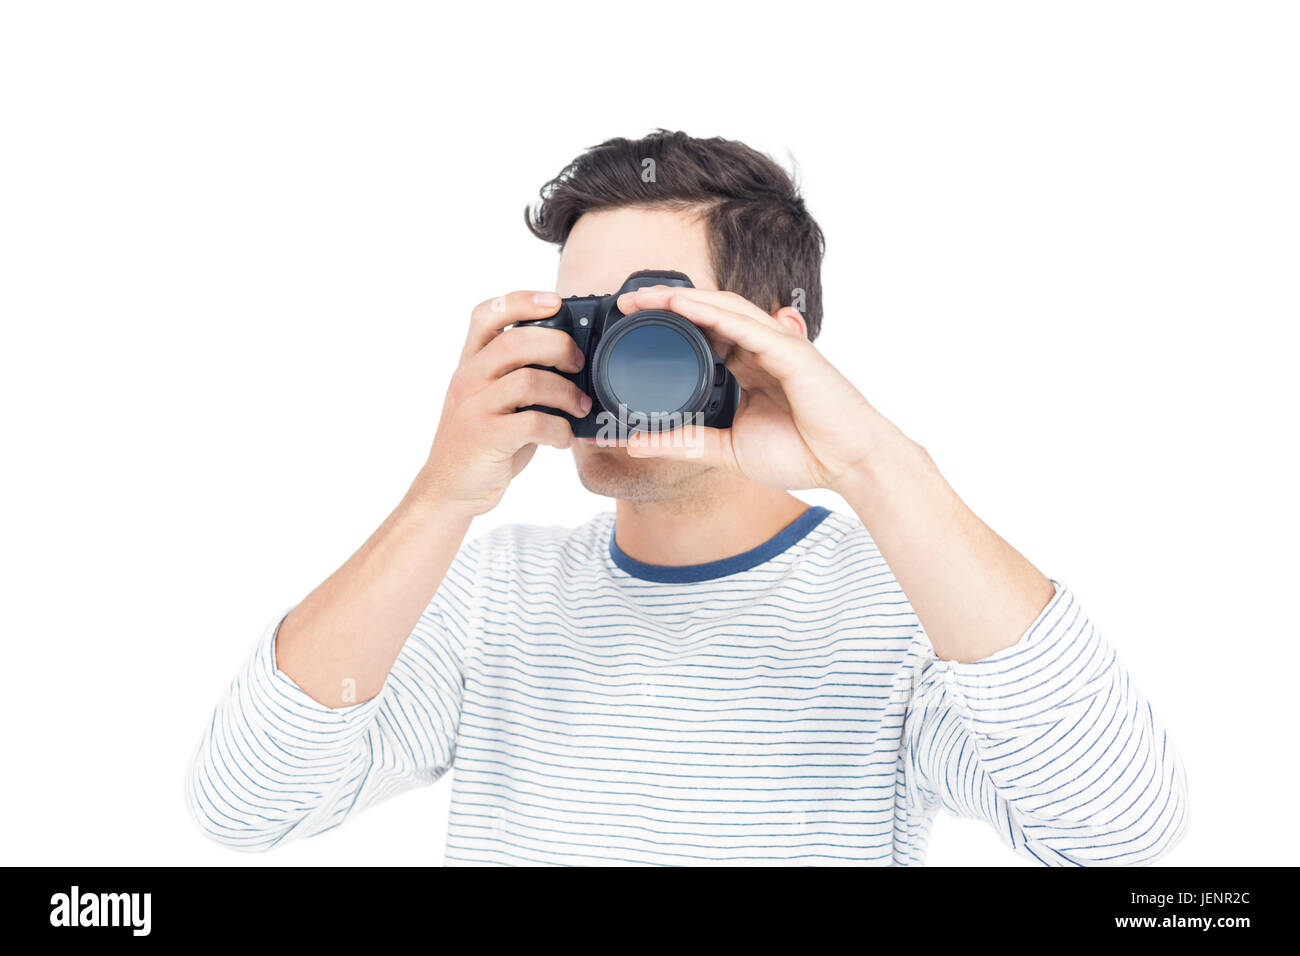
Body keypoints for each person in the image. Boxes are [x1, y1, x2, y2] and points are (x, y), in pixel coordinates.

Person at [186, 130, 1188, 865]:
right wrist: (438, 498)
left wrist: (874, 466)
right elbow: (244, 806)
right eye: (588, 321)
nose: (615, 360)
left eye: (657, 317)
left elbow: (1118, 827)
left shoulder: (907, 602)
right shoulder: (489, 591)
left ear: (773, 333)